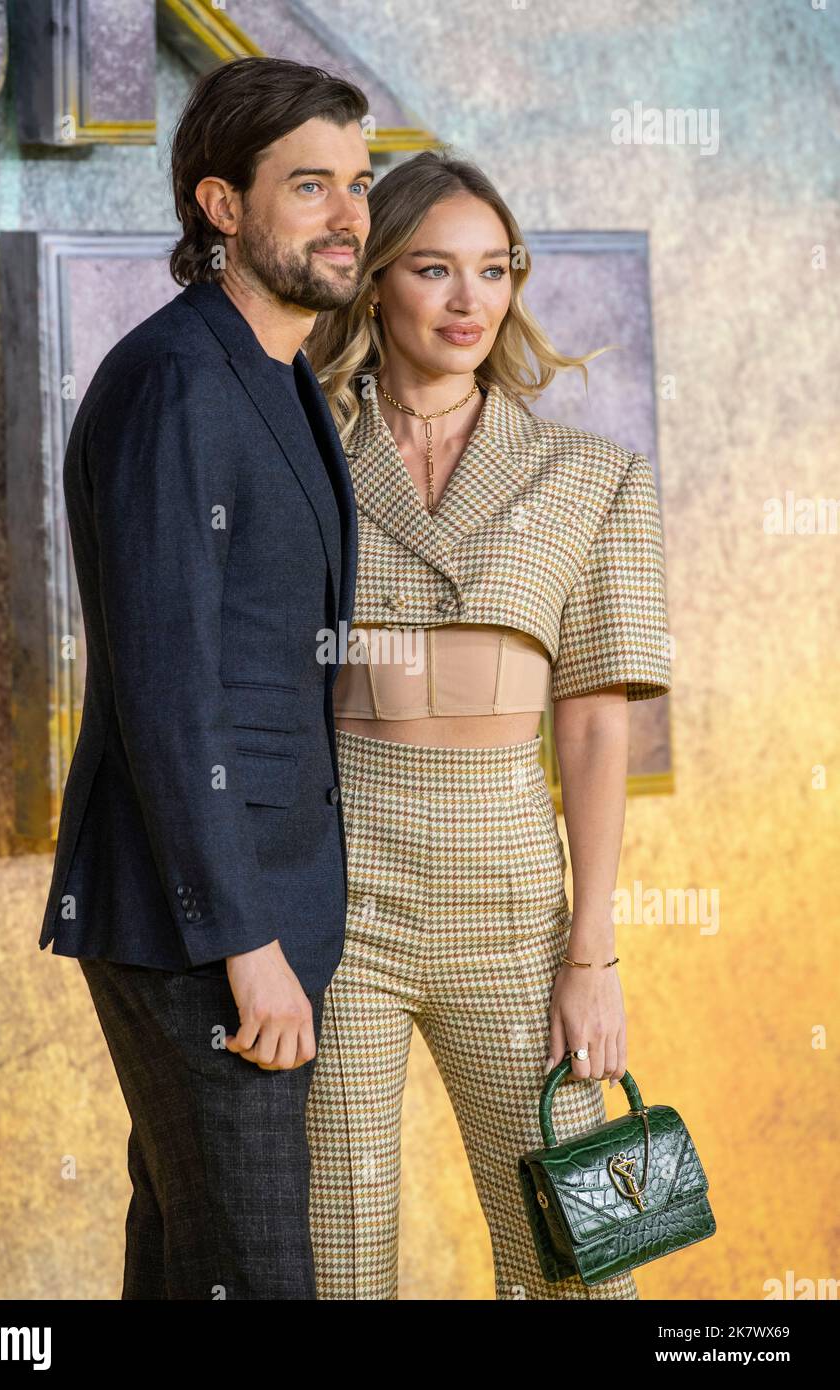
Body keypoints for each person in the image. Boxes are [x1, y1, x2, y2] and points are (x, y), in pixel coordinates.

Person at [303, 149, 673, 1299]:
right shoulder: (297, 454)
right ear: (372, 282)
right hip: (335, 904)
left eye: (493, 270)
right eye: (432, 269)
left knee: (581, 1263)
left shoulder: (593, 476)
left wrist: (592, 954)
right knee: (334, 1262)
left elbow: (598, 731)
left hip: (516, 913)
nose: (469, 301)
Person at [37, 56, 374, 1300]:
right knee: (254, 1274)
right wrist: (243, 941)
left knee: (194, 1266)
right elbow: (169, 691)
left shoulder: (278, 375)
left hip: (256, 912)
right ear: (222, 206)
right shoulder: (177, 380)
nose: (349, 215)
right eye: (309, 187)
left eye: (359, 183)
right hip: (204, 930)